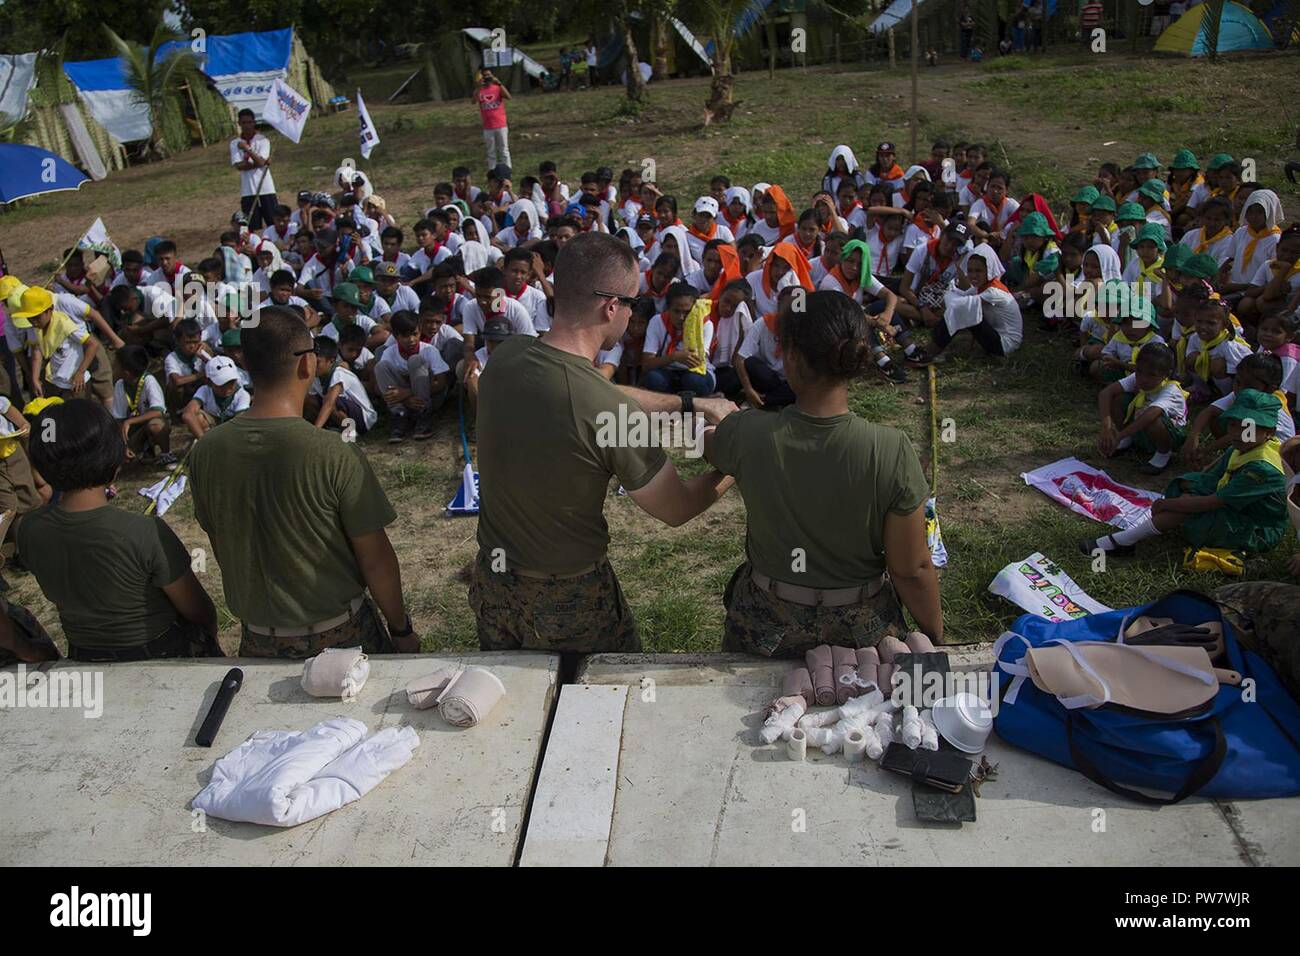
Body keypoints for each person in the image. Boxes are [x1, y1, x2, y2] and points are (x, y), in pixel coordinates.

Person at [469, 232, 735, 653]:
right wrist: (732, 462)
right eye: (634, 304)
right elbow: (677, 507)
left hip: (493, 585)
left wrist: (689, 403)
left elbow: (586, 390)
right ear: (612, 306)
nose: (633, 316)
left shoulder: (507, 357)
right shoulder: (609, 410)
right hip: (570, 601)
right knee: (601, 707)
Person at [705, 290, 941, 656]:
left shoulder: (745, 433)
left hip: (765, 628)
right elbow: (911, 570)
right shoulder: (891, 449)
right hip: (865, 635)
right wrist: (936, 639)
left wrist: (716, 426)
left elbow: (711, 447)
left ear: (792, 356)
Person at [187, 306, 418, 658]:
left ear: (246, 365)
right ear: (306, 364)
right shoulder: (335, 453)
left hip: (257, 642)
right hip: (342, 638)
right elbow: (376, 560)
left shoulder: (205, 452)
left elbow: (221, 544)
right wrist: (401, 629)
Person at [18, 400, 221, 661]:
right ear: (114, 464)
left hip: (84, 653)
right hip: (159, 652)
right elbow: (198, 611)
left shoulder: (29, 528)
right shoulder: (145, 532)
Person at [1083, 390, 1289, 558]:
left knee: (1188, 508)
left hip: (1258, 528)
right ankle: (1150, 528)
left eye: (1249, 427)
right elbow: (1211, 475)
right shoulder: (1244, 445)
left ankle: (1122, 542)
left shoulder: (1262, 468)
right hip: (1238, 504)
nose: (1237, 432)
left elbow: (1214, 501)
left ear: (1269, 432)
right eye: (1234, 424)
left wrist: (1167, 504)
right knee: (1186, 484)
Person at [1097, 342, 1187, 476]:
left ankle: (1163, 453)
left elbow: (1150, 416)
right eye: (1139, 371)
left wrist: (1118, 436)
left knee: (1154, 420)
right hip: (1138, 427)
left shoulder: (1171, 390)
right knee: (1118, 398)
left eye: (1151, 375)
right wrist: (1107, 428)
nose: (1143, 379)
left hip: (1166, 434)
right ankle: (1128, 439)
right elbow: (1105, 393)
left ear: (1166, 374)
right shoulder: (1137, 378)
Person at [375, 310, 448, 442]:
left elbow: (441, 383)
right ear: (396, 336)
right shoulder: (389, 353)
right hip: (403, 402)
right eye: (405, 336)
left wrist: (407, 393)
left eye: (415, 334)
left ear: (420, 332)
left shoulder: (429, 350)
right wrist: (405, 399)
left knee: (416, 360)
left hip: (428, 398)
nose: (411, 340)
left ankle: (423, 416)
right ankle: (399, 415)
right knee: (381, 367)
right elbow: (383, 387)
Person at [110, 344, 171, 464]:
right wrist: (124, 446)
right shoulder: (120, 385)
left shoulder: (149, 381)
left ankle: (167, 454)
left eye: (116, 365)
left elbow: (158, 411)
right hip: (134, 428)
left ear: (126, 372)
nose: (113, 367)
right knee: (119, 458)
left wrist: (130, 421)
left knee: (156, 426)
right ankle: (144, 450)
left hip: (149, 422)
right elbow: (119, 419)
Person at [181, 355, 251, 440]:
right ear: (210, 382)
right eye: (222, 384)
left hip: (232, 426)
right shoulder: (205, 390)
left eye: (231, 382)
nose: (228, 387)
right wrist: (203, 440)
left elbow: (240, 421)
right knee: (198, 417)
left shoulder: (242, 395)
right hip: (213, 423)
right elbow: (188, 414)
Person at [230, 108, 276, 230]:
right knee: (251, 225)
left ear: (254, 122)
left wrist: (247, 149)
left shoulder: (262, 140)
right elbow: (239, 166)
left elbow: (260, 162)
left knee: (273, 222)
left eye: (249, 122)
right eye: (244, 123)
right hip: (248, 190)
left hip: (266, 188)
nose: (247, 126)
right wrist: (259, 162)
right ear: (239, 124)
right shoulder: (235, 143)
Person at [475, 69, 512, 171]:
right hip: (488, 126)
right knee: (491, 151)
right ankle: (492, 170)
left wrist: (499, 83)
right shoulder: (480, 91)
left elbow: (509, 96)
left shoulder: (497, 88)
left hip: (500, 124)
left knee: (504, 149)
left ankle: (507, 169)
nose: (487, 77)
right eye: (485, 75)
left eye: (489, 75)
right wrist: (478, 86)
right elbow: (473, 101)